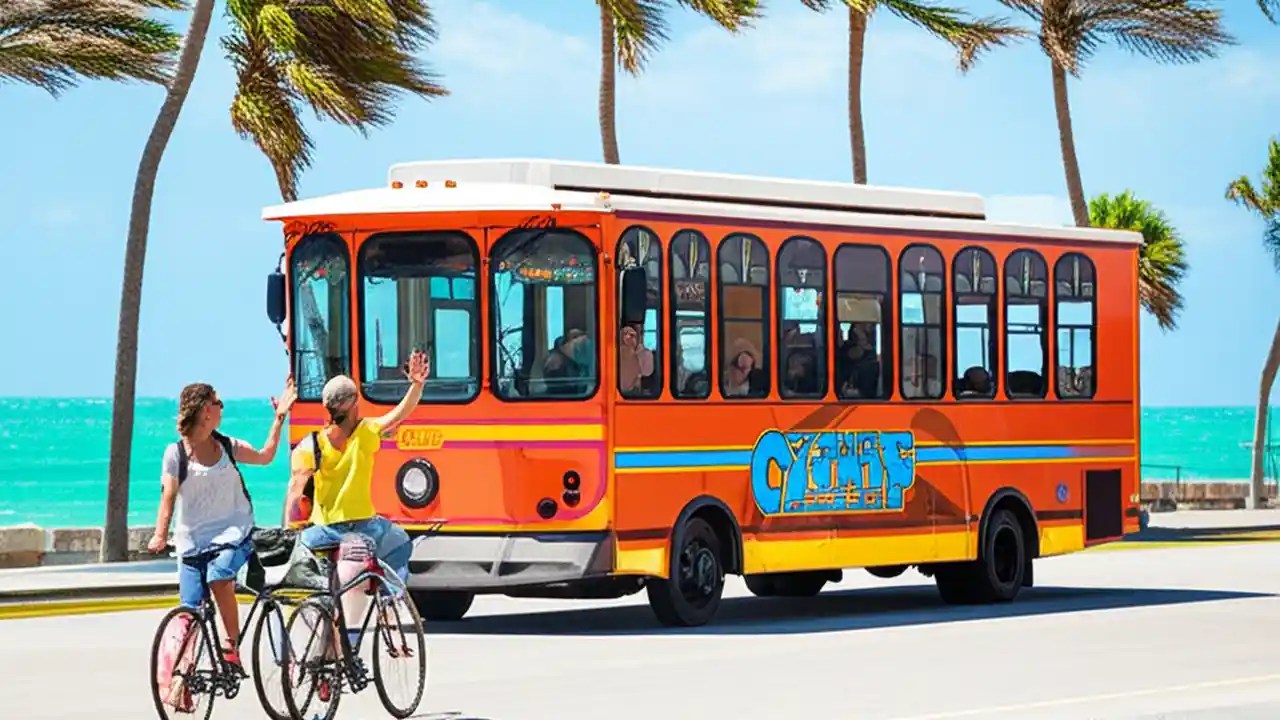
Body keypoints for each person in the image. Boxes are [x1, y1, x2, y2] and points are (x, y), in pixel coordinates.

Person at [148, 376, 297, 671]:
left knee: (219, 577)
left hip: (234, 534)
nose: (222, 408)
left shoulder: (228, 446)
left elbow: (266, 457)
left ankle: (231, 647)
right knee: (189, 615)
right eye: (218, 403)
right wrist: (159, 535)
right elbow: (168, 497)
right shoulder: (175, 454)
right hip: (191, 542)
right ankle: (182, 679)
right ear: (206, 410)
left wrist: (279, 418)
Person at [285, 350, 430, 586]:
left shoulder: (310, 445)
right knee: (401, 543)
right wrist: (417, 384)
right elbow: (400, 413)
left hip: (325, 531)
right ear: (354, 404)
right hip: (365, 528)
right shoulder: (367, 432)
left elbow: (295, 493)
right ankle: (391, 602)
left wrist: (292, 532)